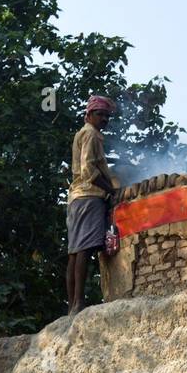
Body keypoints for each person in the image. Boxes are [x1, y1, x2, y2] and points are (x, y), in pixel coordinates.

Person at [66, 95, 120, 314]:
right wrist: (111, 190)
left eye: (107, 116)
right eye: (100, 114)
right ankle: (79, 303)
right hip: (89, 196)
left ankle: (72, 305)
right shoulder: (92, 134)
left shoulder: (82, 134)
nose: (104, 119)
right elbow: (89, 170)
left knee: (75, 252)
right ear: (88, 115)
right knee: (85, 249)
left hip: (76, 198)